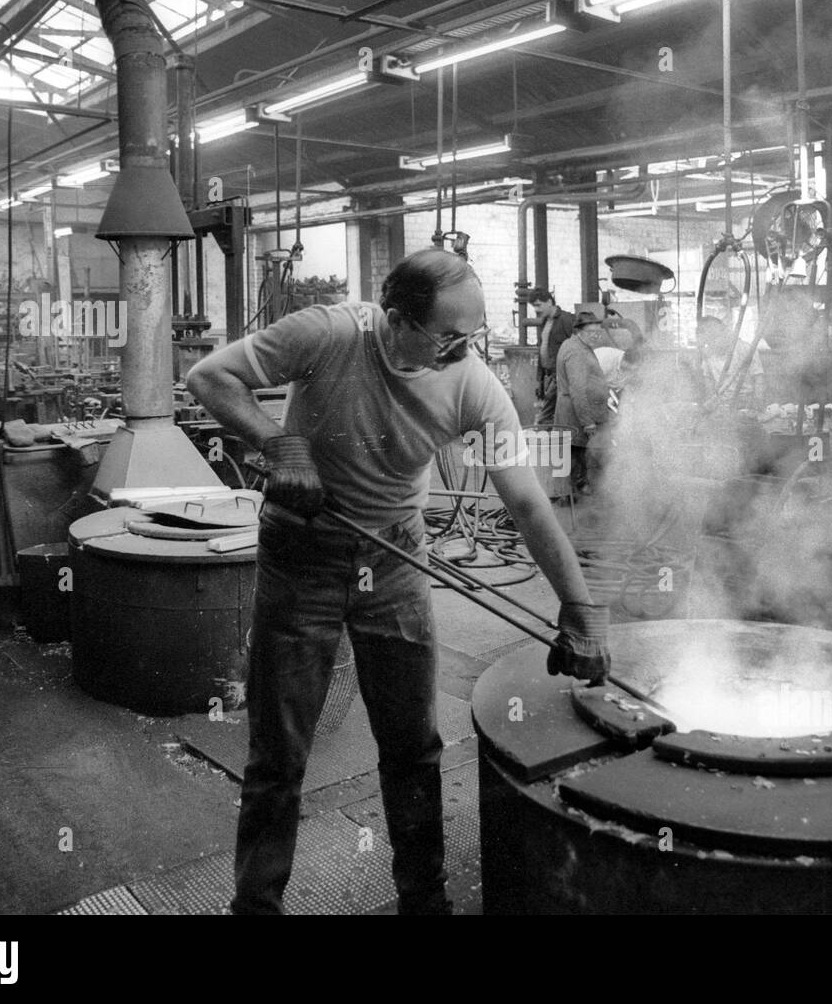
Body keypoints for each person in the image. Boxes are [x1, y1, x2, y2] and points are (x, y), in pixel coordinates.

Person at [186, 249, 611, 915]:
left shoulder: (473, 384)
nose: (463, 350)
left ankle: (424, 898)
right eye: (448, 335)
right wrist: (278, 443)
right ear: (395, 319)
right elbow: (209, 377)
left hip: (394, 562)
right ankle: (256, 904)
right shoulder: (328, 335)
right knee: (278, 756)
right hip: (304, 553)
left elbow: (528, 503)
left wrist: (579, 607)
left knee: (414, 747)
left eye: (472, 334)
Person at [555, 311, 614, 495]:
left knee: (577, 460)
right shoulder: (577, 352)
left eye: (598, 332)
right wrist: (587, 421)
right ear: (579, 331)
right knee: (581, 461)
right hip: (577, 415)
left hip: (575, 412)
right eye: (591, 333)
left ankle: (578, 497)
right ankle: (583, 503)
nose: (596, 336)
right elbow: (578, 389)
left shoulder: (574, 344)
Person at [531, 287, 577, 425]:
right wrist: (540, 380)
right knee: (554, 417)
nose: (536, 309)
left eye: (538, 305)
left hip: (561, 378)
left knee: (544, 418)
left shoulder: (567, 319)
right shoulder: (545, 322)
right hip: (550, 377)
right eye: (534, 306)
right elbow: (542, 351)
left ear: (549, 302)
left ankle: (543, 444)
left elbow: (578, 347)